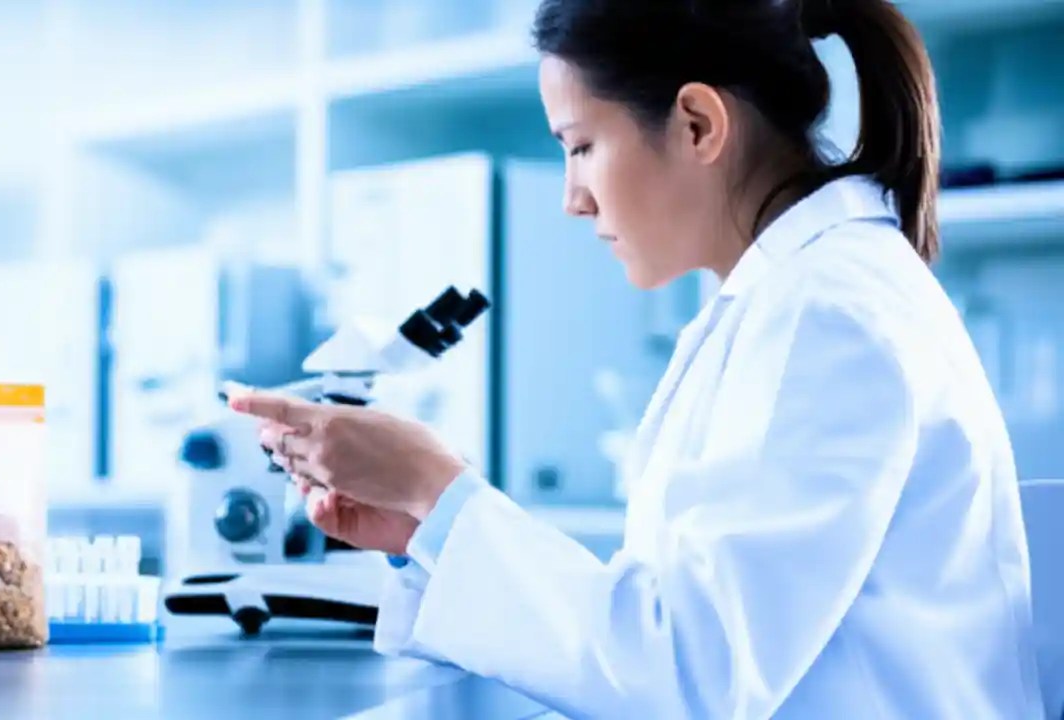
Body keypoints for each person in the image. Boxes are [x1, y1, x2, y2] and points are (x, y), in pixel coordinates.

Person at [229, 0, 1045, 716]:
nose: (571, 196)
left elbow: (689, 677)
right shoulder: (789, 300)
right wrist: (430, 528)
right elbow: (680, 629)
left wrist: (440, 490)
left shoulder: (824, 316)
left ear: (698, 125)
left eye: (580, 145)